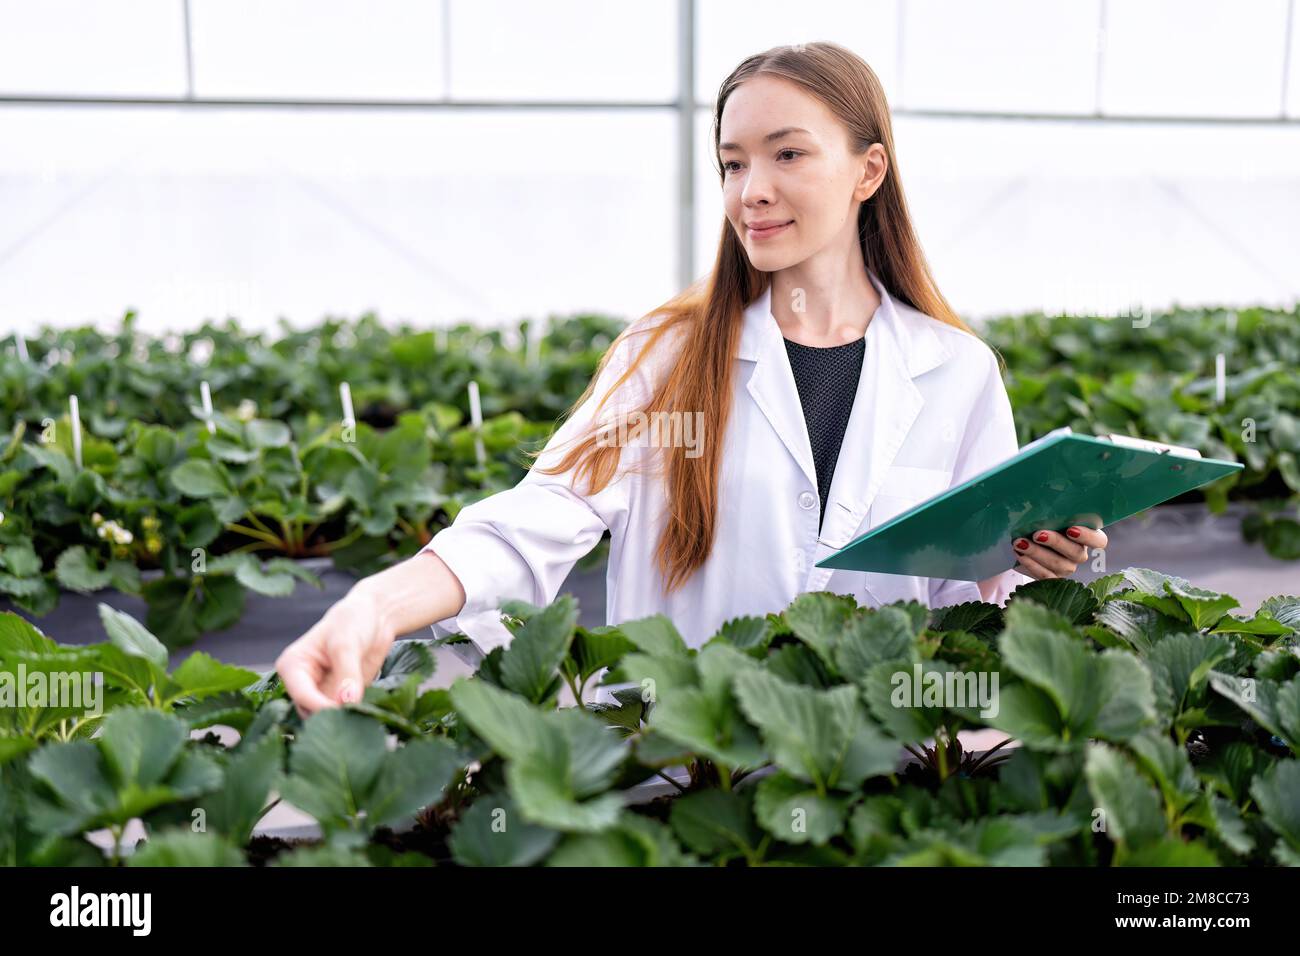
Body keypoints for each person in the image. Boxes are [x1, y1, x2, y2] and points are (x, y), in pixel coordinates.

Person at [278, 41, 1108, 718]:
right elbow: (537, 519)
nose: (752, 191)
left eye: (788, 154)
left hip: (873, 776)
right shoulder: (667, 354)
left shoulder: (956, 372)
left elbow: (973, 598)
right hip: (686, 774)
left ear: (869, 171)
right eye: (733, 163)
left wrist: (1040, 562)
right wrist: (373, 608)